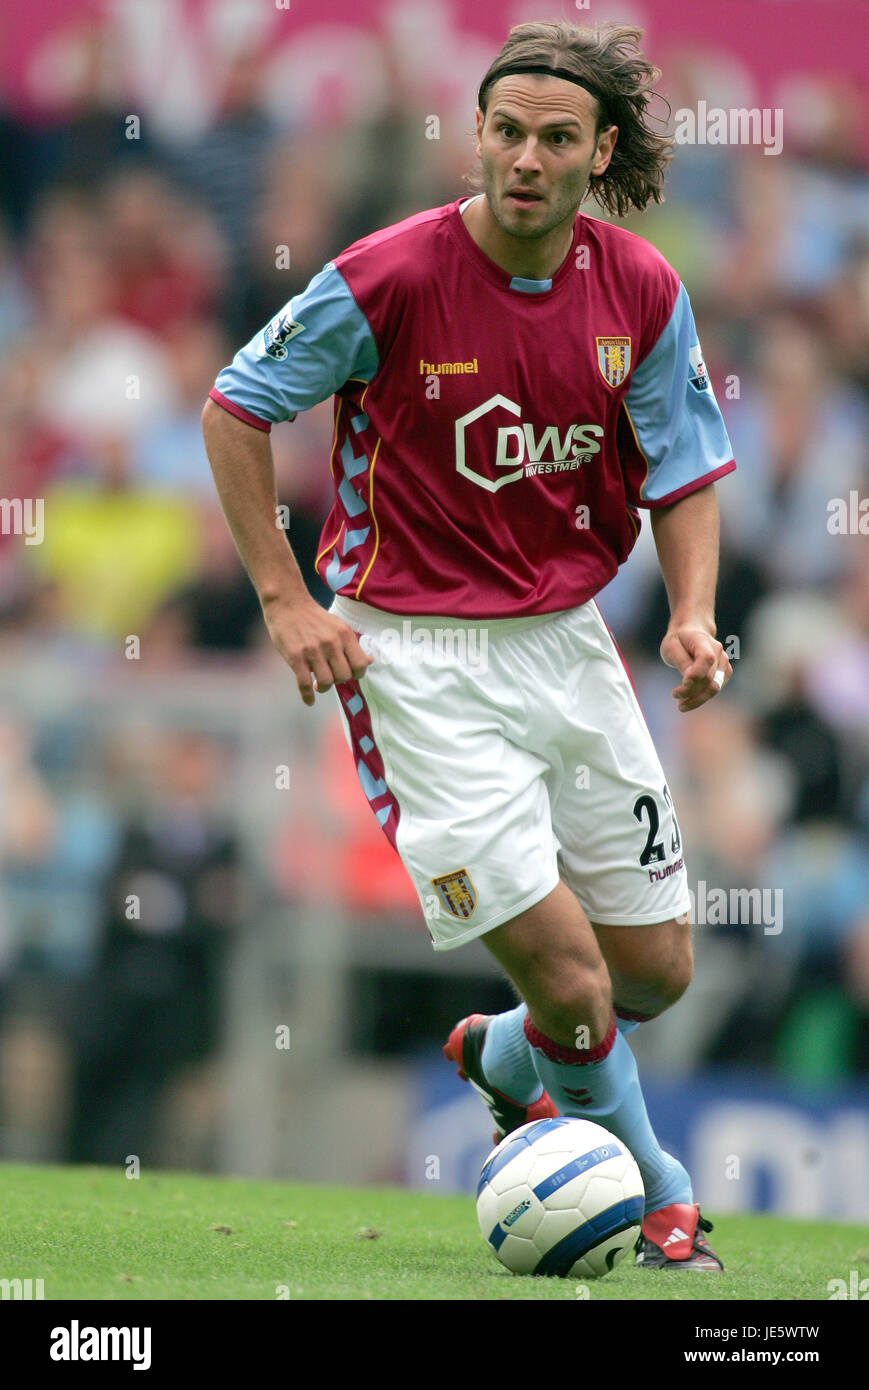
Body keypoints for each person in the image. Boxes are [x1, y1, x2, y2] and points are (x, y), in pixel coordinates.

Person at [202, 20, 735, 1272]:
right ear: (476, 136)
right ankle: (658, 1200)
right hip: (412, 660)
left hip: (566, 641)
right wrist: (287, 600)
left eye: (556, 139)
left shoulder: (642, 290)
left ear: (600, 151)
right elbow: (236, 406)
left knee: (650, 975)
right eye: (505, 132)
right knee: (571, 983)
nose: (526, 159)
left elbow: (685, 468)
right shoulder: (388, 275)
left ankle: (497, 1055)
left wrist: (695, 613)